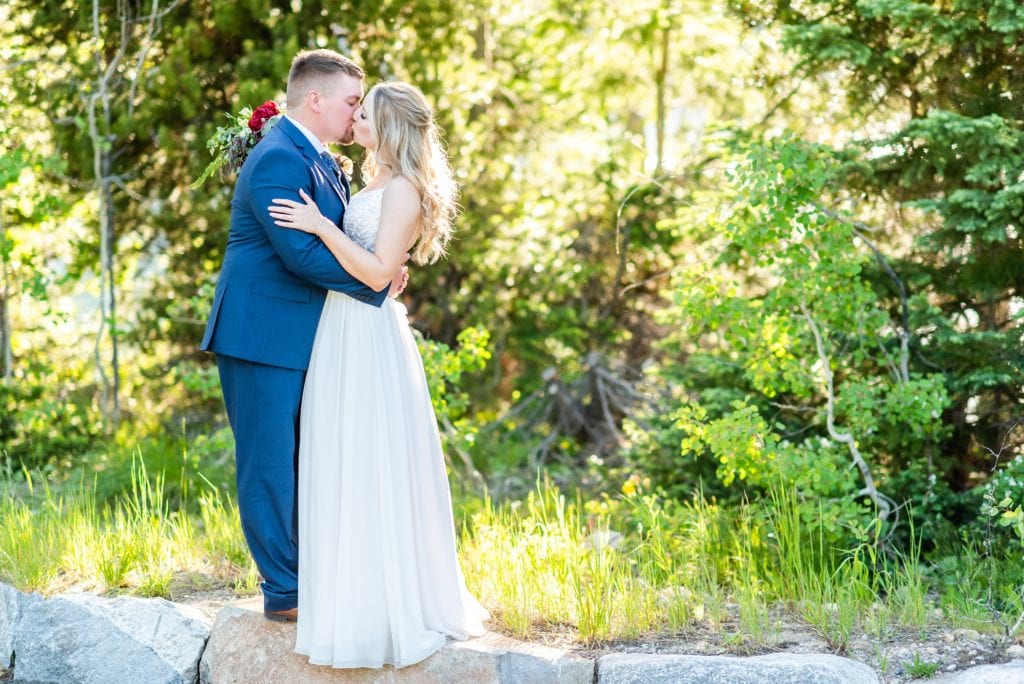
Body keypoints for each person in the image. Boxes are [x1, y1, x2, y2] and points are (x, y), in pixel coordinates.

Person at [268, 81, 489, 668]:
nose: (354, 120)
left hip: (367, 334)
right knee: (339, 457)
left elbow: (374, 273)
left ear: (388, 126)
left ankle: (382, 605)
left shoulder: (405, 190)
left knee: (368, 458)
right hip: (339, 330)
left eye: (363, 114)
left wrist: (320, 227)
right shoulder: (371, 180)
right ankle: (345, 595)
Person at [200, 49, 407, 622]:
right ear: (314, 100)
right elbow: (299, 253)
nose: (355, 113)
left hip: (306, 335)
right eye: (349, 102)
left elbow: (343, 239)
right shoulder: (277, 159)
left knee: (304, 459)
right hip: (261, 334)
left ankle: (309, 576)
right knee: (269, 465)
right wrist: (375, 287)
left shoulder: (321, 159)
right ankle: (285, 594)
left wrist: (380, 265)